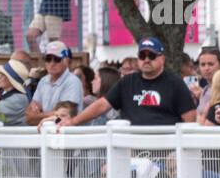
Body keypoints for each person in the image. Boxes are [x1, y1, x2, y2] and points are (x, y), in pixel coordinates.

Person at [60, 37, 196, 127]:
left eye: (152, 55)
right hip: (131, 148)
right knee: (106, 170)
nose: (147, 59)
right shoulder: (127, 82)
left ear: (162, 59)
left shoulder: (175, 83)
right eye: (142, 56)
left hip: (166, 149)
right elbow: (102, 105)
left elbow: (190, 120)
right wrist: (73, 122)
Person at [25, 41, 84, 126]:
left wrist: (37, 116)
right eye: (48, 59)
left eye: (57, 59)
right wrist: (51, 114)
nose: (52, 63)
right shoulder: (43, 81)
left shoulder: (73, 82)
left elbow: (64, 117)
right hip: (47, 133)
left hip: (66, 135)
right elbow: (29, 117)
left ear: (66, 60)